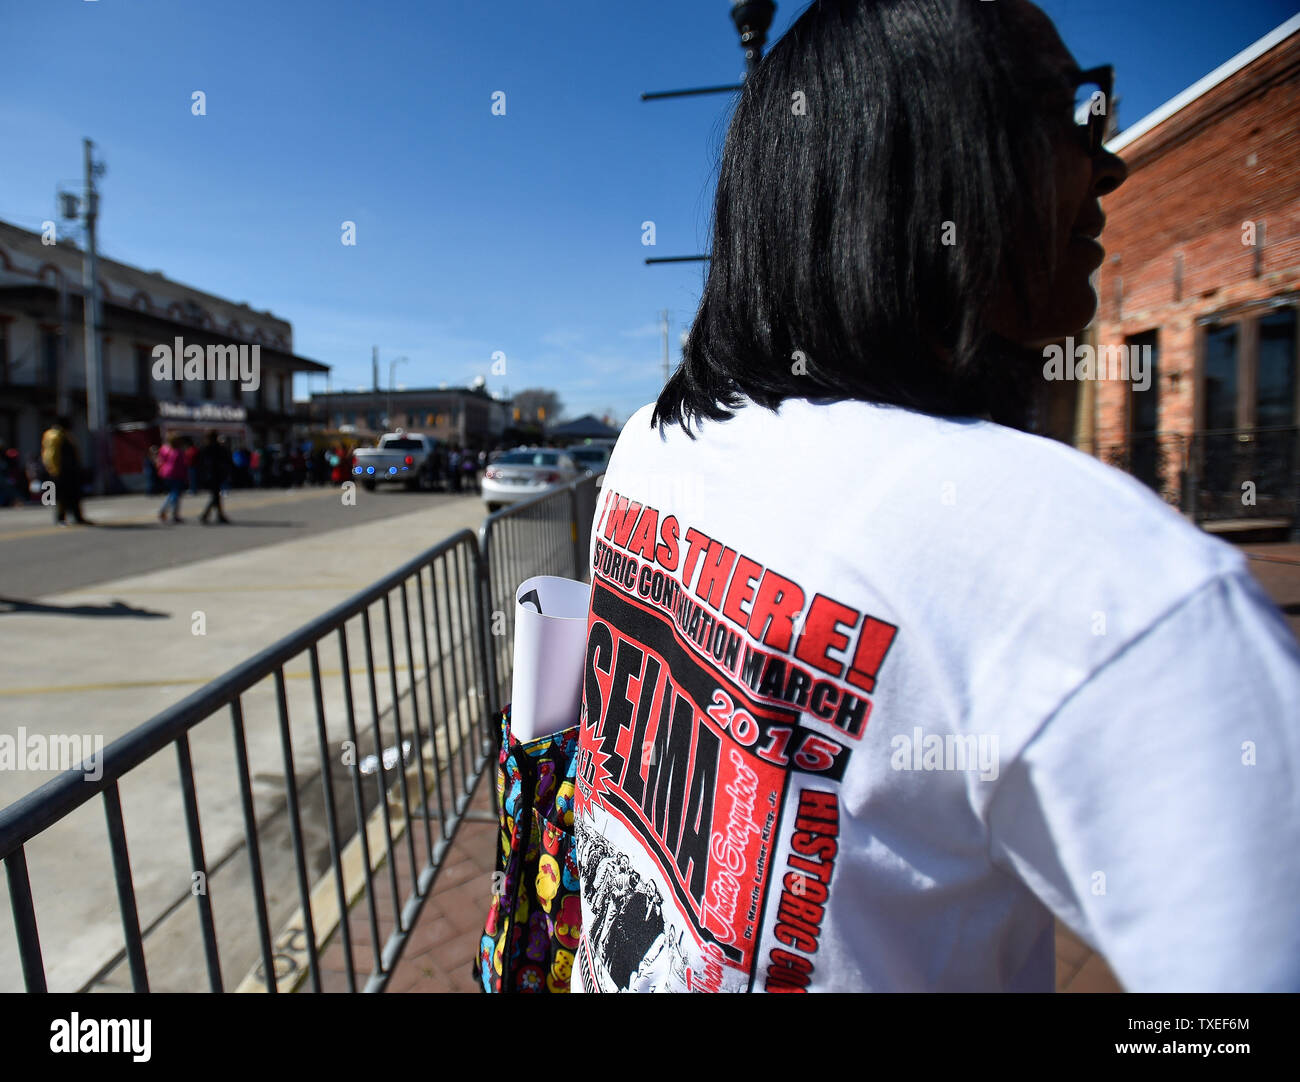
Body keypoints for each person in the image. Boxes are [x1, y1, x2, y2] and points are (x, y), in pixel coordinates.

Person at [571, 0, 1300, 994]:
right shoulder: (1109, 581)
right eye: (1072, 112)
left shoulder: (652, 446)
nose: (1110, 165)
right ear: (923, 154)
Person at [40, 415, 91, 526]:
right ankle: (60, 518)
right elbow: (51, 455)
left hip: (70, 471)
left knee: (74, 494)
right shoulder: (54, 435)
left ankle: (78, 517)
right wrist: (54, 470)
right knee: (62, 496)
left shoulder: (64, 434)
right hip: (61, 472)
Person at [198, 430, 233, 524]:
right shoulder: (217, 448)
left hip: (211, 475)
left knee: (216, 495)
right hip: (215, 474)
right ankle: (207, 515)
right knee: (215, 496)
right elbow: (227, 460)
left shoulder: (205, 448)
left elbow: (200, 463)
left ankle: (217, 515)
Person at [155, 433, 188, 523]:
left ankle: (172, 513)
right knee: (175, 494)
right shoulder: (178, 452)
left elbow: (159, 461)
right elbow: (183, 465)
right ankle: (170, 512)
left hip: (166, 473)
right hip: (176, 474)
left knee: (173, 493)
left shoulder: (164, 449)